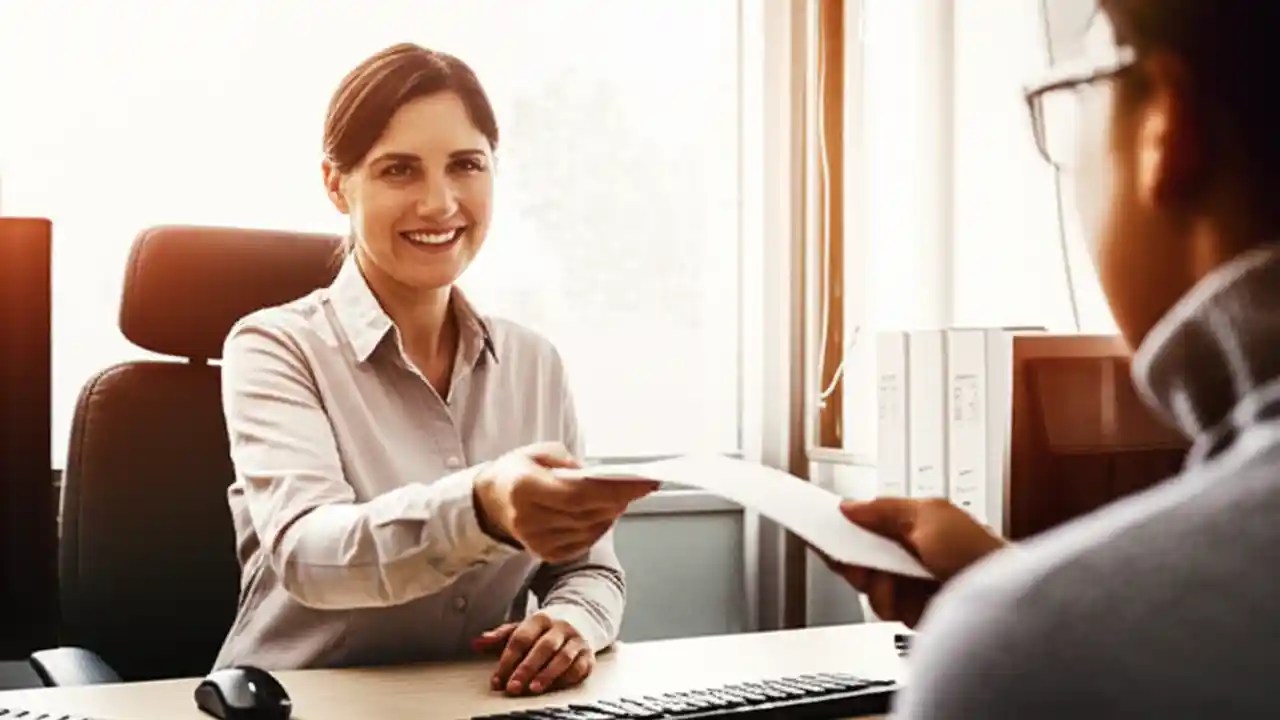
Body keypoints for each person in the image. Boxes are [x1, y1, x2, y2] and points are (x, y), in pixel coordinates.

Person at [827, 1, 1280, 716]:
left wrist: (1026, 617)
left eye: (1076, 94)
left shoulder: (1025, 655)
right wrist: (1017, 579)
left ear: (1165, 126)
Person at [212, 43, 657, 698]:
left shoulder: (534, 363)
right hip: (300, 706)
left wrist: (571, 622)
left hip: (478, 706)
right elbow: (309, 554)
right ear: (336, 184)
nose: (440, 202)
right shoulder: (274, 348)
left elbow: (589, 569)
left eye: (466, 165)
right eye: (399, 170)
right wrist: (482, 507)